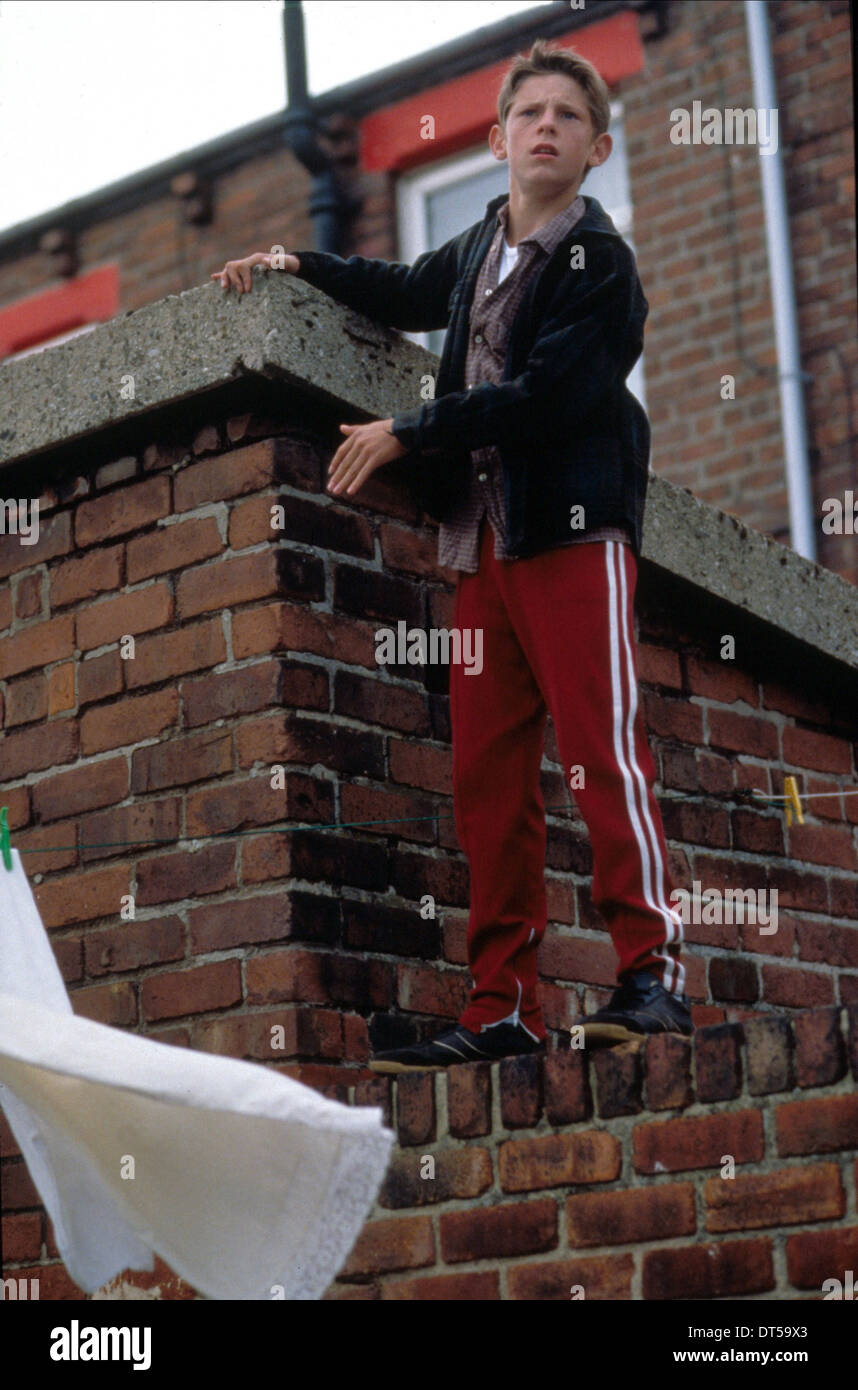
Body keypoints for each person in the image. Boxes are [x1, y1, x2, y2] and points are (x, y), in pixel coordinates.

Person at [212, 40, 692, 1074]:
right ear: (498, 138)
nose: (548, 127)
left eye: (569, 115)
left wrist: (407, 430)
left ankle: (653, 975)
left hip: (570, 535)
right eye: (531, 114)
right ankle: (503, 1004)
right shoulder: (479, 248)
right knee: (488, 781)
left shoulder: (598, 264)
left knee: (601, 753)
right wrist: (297, 263)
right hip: (481, 551)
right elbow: (398, 283)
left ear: (599, 147)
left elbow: (552, 398)